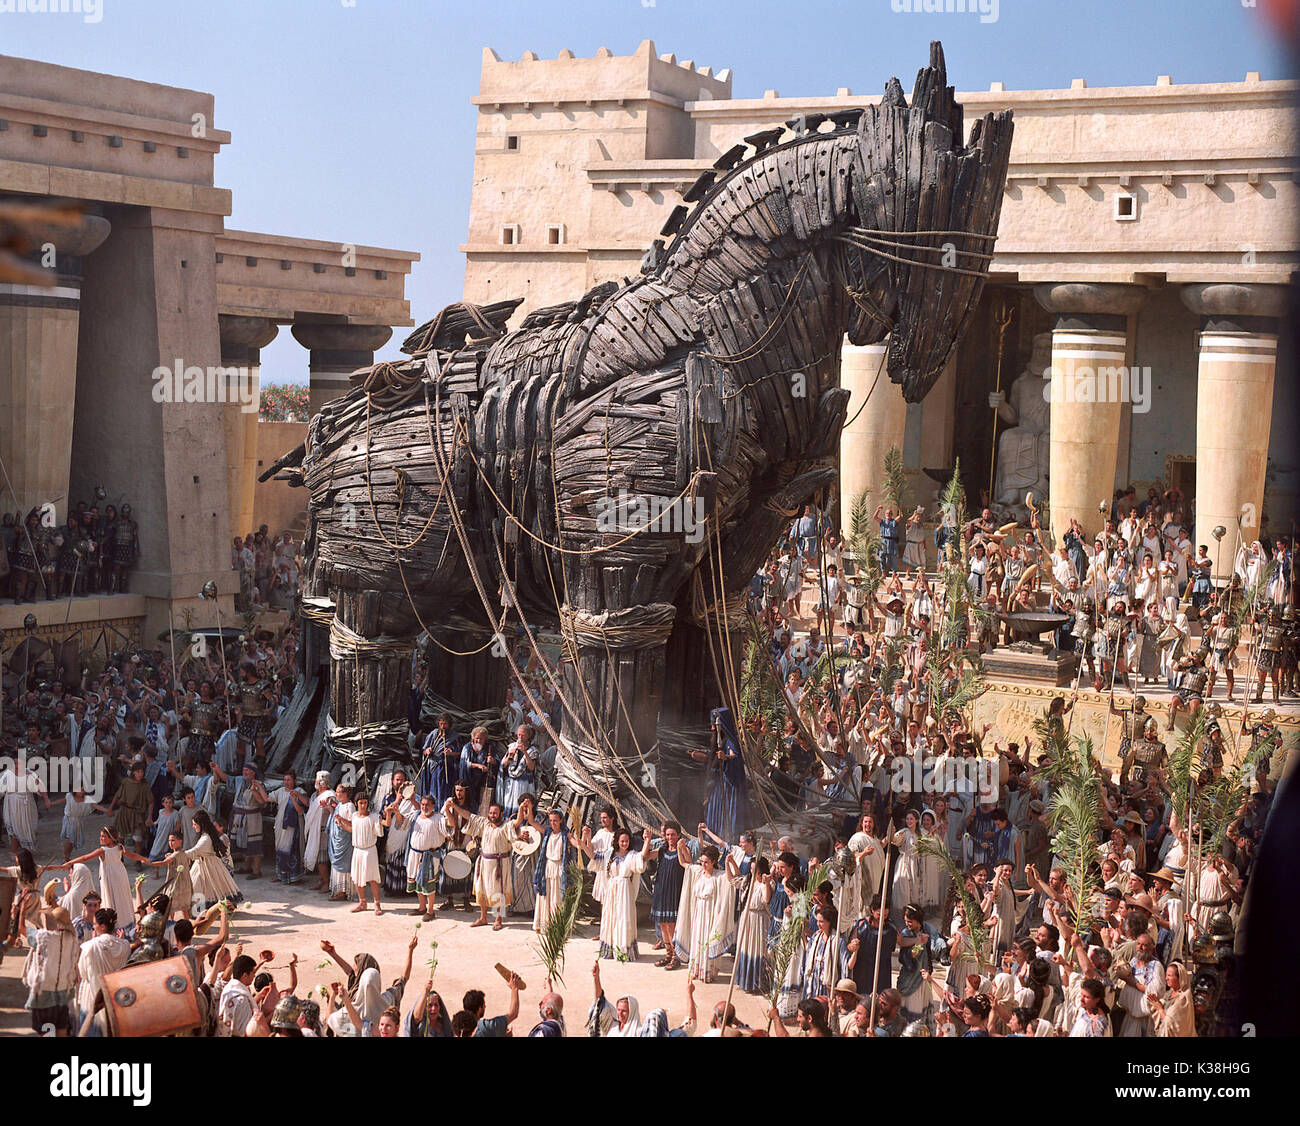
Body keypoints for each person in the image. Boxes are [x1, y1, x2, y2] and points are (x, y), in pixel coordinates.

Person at [444, 795, 517, 930]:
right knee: (481, 889)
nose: (492, 815)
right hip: (484, 862)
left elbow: (517, 823)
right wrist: (454, 807)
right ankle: (483, 918)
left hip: (499, 864)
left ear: (501, 814)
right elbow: (469, 816)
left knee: (498, 892)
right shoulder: (484, 823)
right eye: (490, 813)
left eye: (495, 813)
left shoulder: (507, 827)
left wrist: (525, 809)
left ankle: (498, 919)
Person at [673, 841, 735, 983]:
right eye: (702, 862)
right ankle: (695, 969)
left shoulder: (720, 876)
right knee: (697, 939)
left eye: (706, 862)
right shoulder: (698, 872)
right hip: (698, 912)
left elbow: (735, 878)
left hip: (710, 914)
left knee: (708, 940)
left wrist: (729, 863)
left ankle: (707, 971)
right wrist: (679, 848)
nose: (703, 865)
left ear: (713, 861)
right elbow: (683, 863)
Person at [598, 827, 646, 960]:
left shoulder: (632, 855)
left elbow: (641, 859)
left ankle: (624, 950)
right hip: (612, 889)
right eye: (622, 841)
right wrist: (584, 840)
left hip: (625, 889)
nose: (624, 843)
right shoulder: (610, 854)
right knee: (611, 916)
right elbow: (594, 857)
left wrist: (646, 841)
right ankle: (610, 948)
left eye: (626, 841)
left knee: (624, 917)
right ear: (617, 841)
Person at [532, 806, 580, 933]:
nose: (553, 823)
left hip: (559, 868)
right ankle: (543, 924)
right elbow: (532, 822)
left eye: (555, 820)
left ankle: (556, 926)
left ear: (560, 821)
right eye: (551, 820)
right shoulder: (547, 832)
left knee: (557, 897)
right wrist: (527, 807)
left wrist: (582, 837)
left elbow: (577, 844)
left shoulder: (565, 834)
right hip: (547, 867)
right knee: (545, 895)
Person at [337, 790, 385, 915]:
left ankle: (377, 904)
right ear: (356, 803)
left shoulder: (374, 817)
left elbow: (382, 827)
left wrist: (387, 816)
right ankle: (362, 903)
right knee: (358, 878)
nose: (363, 805)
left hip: (370, 851)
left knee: (373, 878)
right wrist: (341, 823)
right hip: (357, 851)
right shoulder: (354, 816)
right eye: (361, 803)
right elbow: (353, 828)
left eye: (365, 803)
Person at [730, 853, 772, 992]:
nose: (753, 871)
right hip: (746, 917)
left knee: (757, 949)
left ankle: (757, 984)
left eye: (756, 869)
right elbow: (731, 880)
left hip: (759, 919)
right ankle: (744, 981)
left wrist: (766, 883)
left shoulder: (767, 883)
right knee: (745, 948)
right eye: (751, 868)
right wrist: (728, 862)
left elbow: (766, 900)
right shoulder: (748, 880)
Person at [405, 792, 448, 921]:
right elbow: (401, 822)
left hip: (429, 856)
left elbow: (448, 829)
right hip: (414, 854)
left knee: (429, 884)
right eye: (422, 804)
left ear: (433, 806)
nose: (424, 807)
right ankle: (422, 907)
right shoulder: (416, 815)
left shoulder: (438, 818)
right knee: (417, 881)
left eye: (427, 805)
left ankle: (430, 911)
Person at [271, 770, 309, 885]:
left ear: (294, 781)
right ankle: (281, 875)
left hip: (294, 827)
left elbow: (301, 810)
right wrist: (256, 787)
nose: (286, 782)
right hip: (281, 825)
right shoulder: (280, 791)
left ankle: (294, 877)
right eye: (285, 780)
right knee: (280, 849)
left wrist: (294, 797)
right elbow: (265, 798)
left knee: (293, 850)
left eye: (289, 780)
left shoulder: (300, 792)